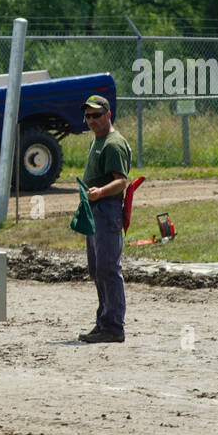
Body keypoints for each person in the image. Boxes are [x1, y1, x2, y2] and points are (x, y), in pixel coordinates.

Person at [78, 95, 131, 343]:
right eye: (87, 116)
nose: (91, 120)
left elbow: (121, 180)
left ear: (108, 115)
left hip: (107, 210)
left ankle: (113, 326)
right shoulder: (97, 141)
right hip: (94, 211)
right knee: (98, 269)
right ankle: (103, 322)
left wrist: (100, 192)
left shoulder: (113, 143)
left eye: (96, 115)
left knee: (109, 268)